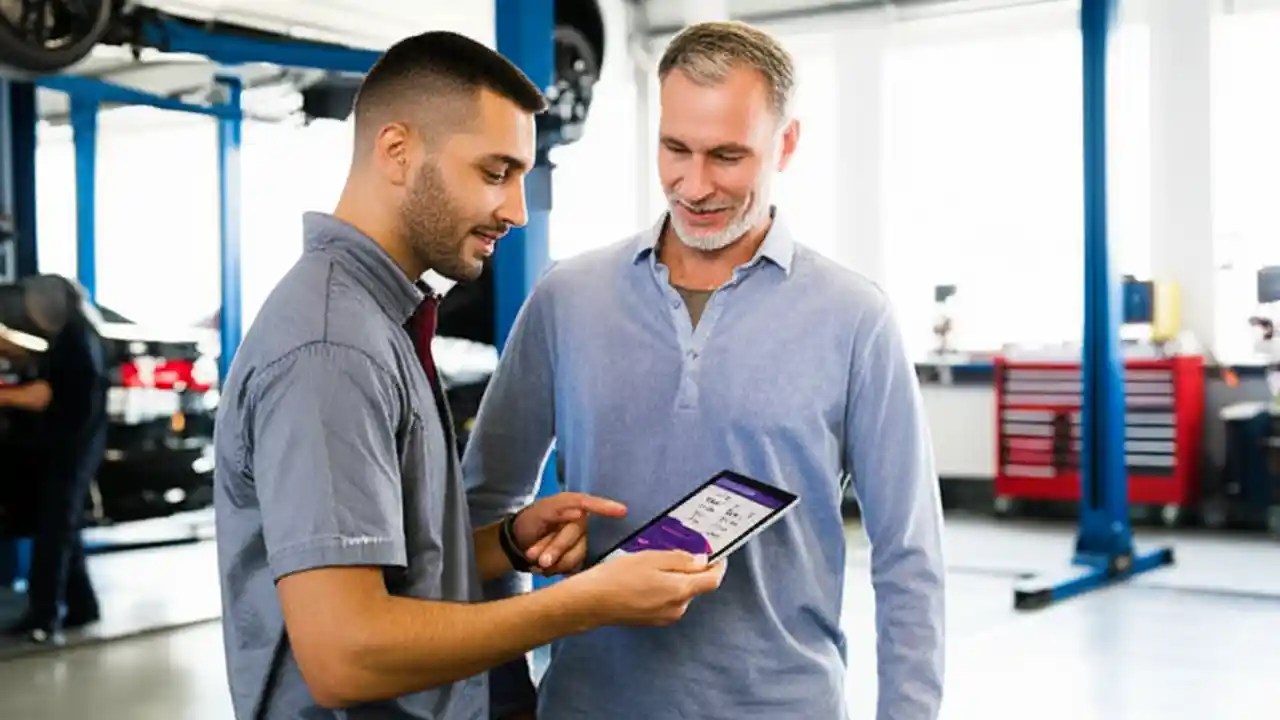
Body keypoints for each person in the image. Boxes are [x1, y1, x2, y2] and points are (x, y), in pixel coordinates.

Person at [212, 30, 726, 720]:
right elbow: (346, 655)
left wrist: (508, 542)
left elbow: (399, 572)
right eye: (494, 172)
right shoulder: (333, 349)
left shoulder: (378, 320)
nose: (516, 210)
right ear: (397, 152)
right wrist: (586, 602)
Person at [464, 20, 946, 720]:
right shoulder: (568, 297)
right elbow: (487, 504)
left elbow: (909, 556)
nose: (694, 186)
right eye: (675, 149)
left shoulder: (854, 318)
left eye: (727, 156)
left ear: (786, 144)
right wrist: (506, 692)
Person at [0, 274, 105, 645]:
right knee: (65, 529)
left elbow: (42, 395)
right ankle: (83, 606)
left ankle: (42, 616)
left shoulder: (73, 341)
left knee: (53, 533)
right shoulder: (80, 334)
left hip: (70, 449)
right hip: (79, 446)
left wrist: (3, 395)